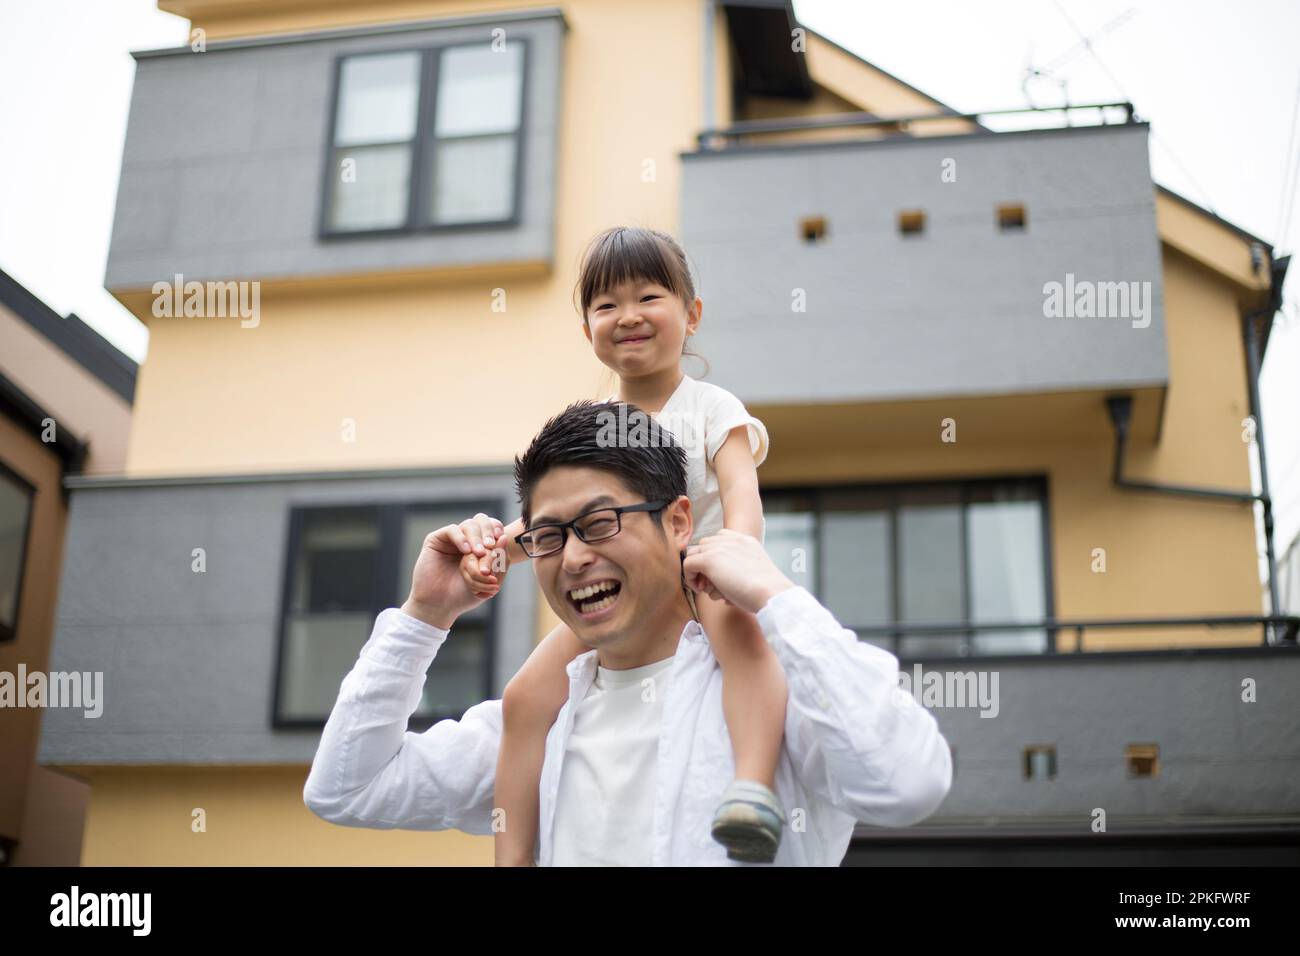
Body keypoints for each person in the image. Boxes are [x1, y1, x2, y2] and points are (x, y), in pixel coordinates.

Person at [303, 399, 954, 866]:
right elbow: (345, 789)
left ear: (678, 522)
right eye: (549, 536)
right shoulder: (536, 719)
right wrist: (424, 615)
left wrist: (776, 598)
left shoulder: (774, 696)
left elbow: (907, 783)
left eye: (600, 522)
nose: (574, 557)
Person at [470, 226, 788, 865]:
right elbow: (565, 521)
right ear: (586, 325)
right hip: (617, 593)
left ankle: (752, 789)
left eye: (649, 296)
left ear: (691, 314)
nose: (628, 316)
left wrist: (732, 557)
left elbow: (741, 497)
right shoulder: (594, 424)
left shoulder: (710, 405)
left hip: (700, 576)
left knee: (749, 651)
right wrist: (496, 551)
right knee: (526, 697)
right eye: (606, 304)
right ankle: (512, 856)